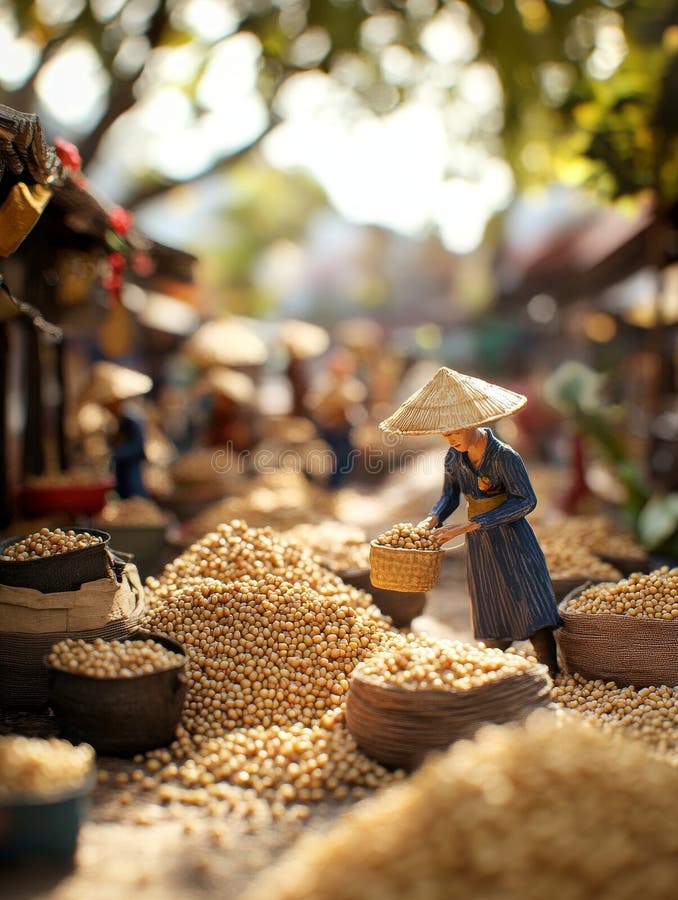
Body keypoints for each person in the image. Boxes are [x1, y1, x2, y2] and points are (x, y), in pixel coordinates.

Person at [379, 366, 561, 675]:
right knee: (489, 598)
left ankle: (550, 667)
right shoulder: (453, 458)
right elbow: (450, 496)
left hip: (512, 536)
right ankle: (498, 663)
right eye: (444, 432)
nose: (450, 438)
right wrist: (433, 518)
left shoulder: (505, 456)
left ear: (474, 422)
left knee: (528, 596)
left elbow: (527, 501)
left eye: (456, 430)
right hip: (481, 543)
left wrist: (470, 525)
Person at [85, 361, 152, 500]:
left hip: (131, 470)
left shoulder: (131, 420)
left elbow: (137, 447)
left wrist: (115, 454)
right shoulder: (117, 421)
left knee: (134, 494)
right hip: (121, 470)